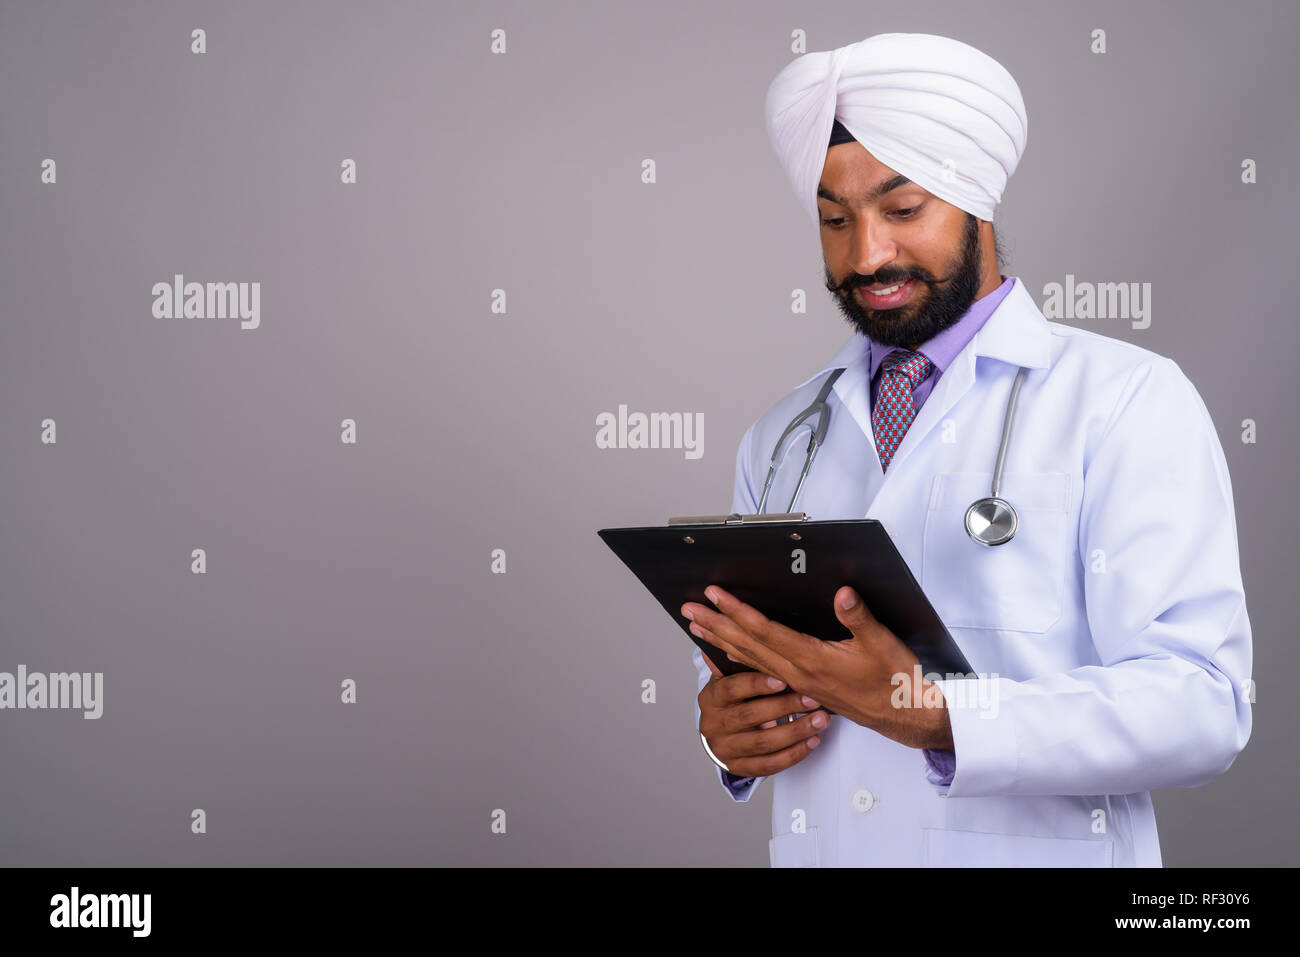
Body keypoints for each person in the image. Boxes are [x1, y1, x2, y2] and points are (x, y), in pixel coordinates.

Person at [681, 32, 1252, 867]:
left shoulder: (1125, 399)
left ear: (976, 200)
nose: (866, 254)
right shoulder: (782, 434)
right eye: (834, 220)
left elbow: (1203, 707)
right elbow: (741, 676)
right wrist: (726, 733)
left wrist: (934, 712)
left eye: (903, 209)